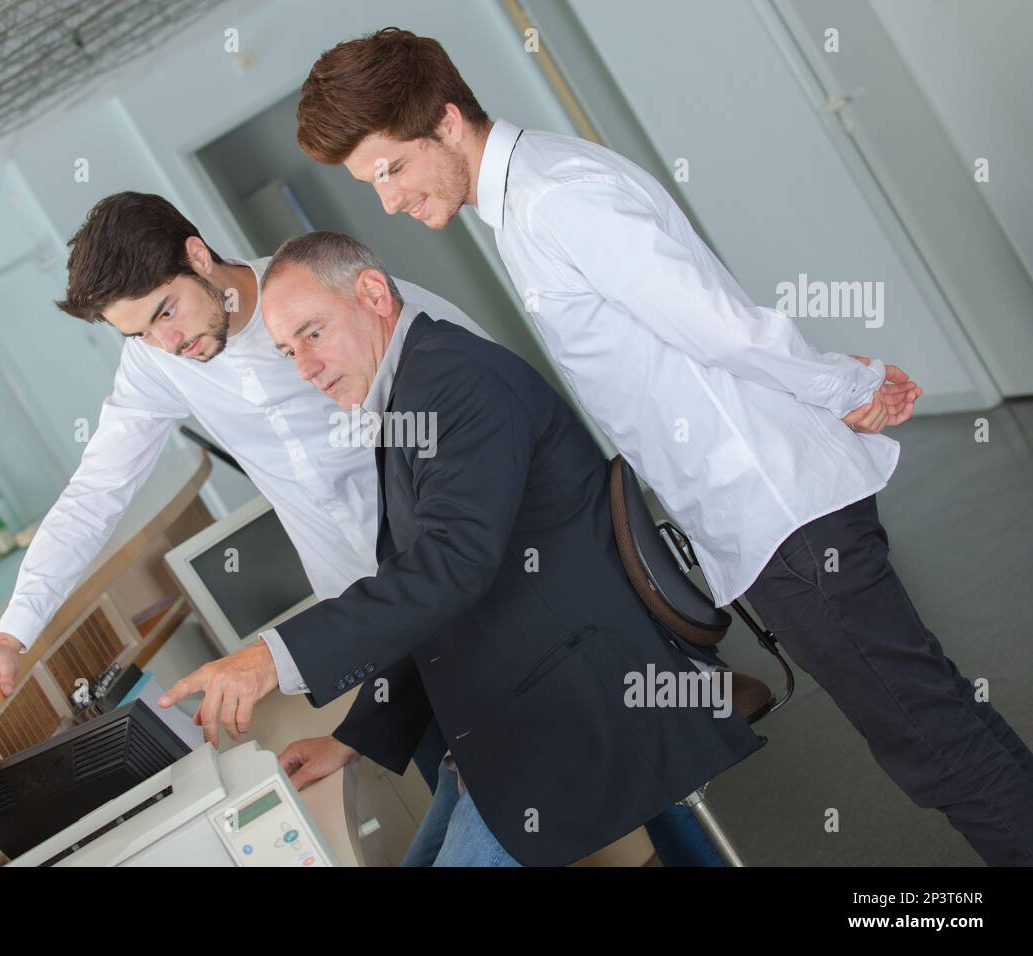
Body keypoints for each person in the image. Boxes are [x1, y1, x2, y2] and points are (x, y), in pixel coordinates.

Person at [291, 28, 1033, 865]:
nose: (387, 200)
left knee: (933, 742)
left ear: (447, 119)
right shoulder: (527, 202)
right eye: (370, 183)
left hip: (782, 514)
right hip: (765, 518)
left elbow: (719, 327)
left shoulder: (554, 199)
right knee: (938, 725)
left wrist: (847, 386)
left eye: (391, 168)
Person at [158, 231, 764, 867]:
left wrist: (269, 658)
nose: (305, 368)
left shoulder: (451, 381)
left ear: (371, 293)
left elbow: (450, 566)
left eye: (313, 333)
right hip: (526, 686)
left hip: (577, 694)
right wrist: (355, 738)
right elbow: (428, 596)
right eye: (287, 351)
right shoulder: (412, 390)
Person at [0, 191, 485, 793]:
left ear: (198, 255)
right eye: (137, 333)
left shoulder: (323, 295)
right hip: (367, 638)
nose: (168, 343)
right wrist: (12, 635)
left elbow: (476, 385)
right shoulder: (159, 363)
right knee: (462, 800)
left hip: (465, 586)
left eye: (167, 311)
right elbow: (96, 492)